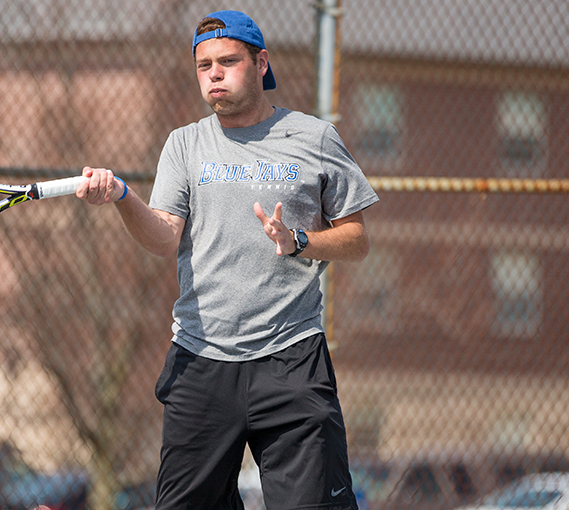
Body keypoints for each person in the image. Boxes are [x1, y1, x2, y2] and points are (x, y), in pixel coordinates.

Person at [75, 9, 379, 510]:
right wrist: (124, 197)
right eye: (203, 65)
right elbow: (163, 238)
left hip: (291, 358)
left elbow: (357, 240)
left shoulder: (314, 139)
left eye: (228, 61)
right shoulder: (185, 144)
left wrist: (299, 240)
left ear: (261, 64)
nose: (214, 74)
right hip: (200, 361)